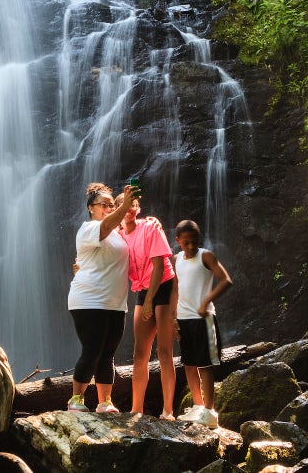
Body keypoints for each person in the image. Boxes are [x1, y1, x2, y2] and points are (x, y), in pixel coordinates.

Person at [67, 181, 138, 413]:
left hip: (115, 303)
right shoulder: (89, 228)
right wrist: (124, 206)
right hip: (89, 300)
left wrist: (151, 222)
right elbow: (107, 226)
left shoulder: (118, 234)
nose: (108, 208)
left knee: (107, 354)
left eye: (111, 205)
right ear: (91, 207)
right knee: (92, 349)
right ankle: (76, 400)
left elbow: (133, 233)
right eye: (103, 205)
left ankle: (105, 402)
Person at [120, 192, 178, 418]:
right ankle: (136, 410)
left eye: (133, 204)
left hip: (162, 285)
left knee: (164, 351)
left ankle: (168, 411)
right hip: (143, 290)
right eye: (124, 205)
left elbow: (160, 266)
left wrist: (149, 301)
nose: (129, 209)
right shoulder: (118, 235)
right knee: (139, 354)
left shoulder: (150, 227)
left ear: (138, 208)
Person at [172, 219, 233, 429]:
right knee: (189, 364)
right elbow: (175, 290)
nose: (191, 246)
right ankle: (197, 406)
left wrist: (206, 301)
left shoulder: (205, 256)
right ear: (178, 241)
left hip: (202, 319)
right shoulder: (176, 260)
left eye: (194, 241)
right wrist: (173, 319)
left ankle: (210, 411)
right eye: (186, 242)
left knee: (205, 365)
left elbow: (226, 280)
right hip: (183, 319)